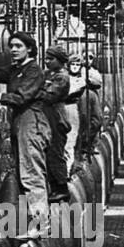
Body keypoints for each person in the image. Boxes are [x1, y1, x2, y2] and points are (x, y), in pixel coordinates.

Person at [0, 31, 51, 238]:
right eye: (11, 46)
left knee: (31, 175)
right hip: (20, 124)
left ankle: (42, 225)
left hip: (32, 123)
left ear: (29, 48)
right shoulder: (17, 70)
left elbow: (22, 98)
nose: (13, 49)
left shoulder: (33, 71)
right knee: (25, 175)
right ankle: (36, 223)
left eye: (18, 46)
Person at [41, 45, 72, 202]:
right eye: (46, 58)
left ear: (60, 60)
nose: (46, 61)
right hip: (47, 117)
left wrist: (32, 91)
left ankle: (62, 188)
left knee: (55, 152)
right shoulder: (48, 74)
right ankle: (53, 186)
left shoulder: (62, 77)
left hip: (56, 117)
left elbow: (50, 96)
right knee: (47, 152)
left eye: (50, 59)